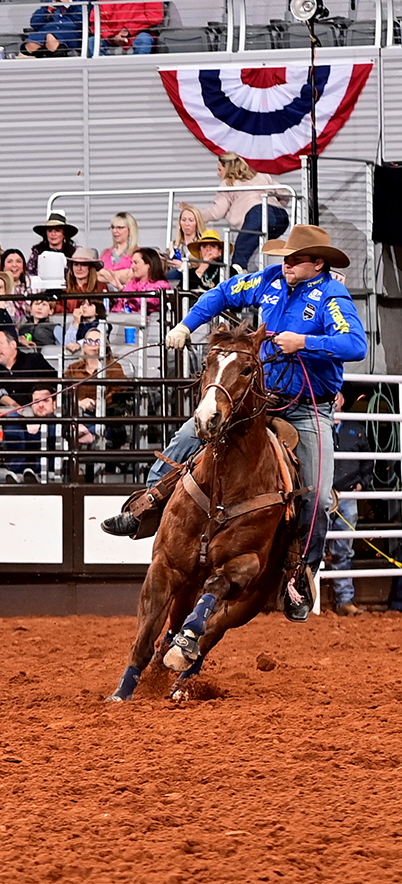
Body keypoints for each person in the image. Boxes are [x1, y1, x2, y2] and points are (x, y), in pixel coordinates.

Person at [101, 225, 367, 623]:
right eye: (286, 258)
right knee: (188, 435)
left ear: (318, 263)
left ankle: (299, 574)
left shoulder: (332, 296)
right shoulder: (270, 281)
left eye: (295, 259)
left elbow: (356, 345)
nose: (287, 264)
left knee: (318, 497)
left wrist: (304, 342)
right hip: (257, 398)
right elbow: (221, 294)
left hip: (307, 408)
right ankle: (146, 505)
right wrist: (187, 325)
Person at [201, 152, 291, 272]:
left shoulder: (228, 184)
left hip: (258, 214)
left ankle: (237, 270)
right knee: (253, 241)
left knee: (242, 245)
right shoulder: (261, 176)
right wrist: (276, 204)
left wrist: (195, 214)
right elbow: (285, 193)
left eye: (220, 169)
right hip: (280, 217)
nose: (218, 174)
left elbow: (217, 212)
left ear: (227, 169)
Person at [328, 389, 371, 615]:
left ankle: (344, 599)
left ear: (343, 400)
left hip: (346, 495)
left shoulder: (356, 428)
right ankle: (306, 600)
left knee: (343, 548)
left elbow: (367, 459)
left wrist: (363, 482)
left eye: (336, 396)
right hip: (325, 495)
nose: (333, 399)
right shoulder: (319, 426)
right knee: (312, 546)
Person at [0, 329, 56, 409]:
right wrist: (15, 406)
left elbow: (54, 382)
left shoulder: (34, 360)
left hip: (37, 410)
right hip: (6, 412)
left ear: (13, 344)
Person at [112, 247, 170, 314]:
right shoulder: (130, 284)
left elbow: (148, 303)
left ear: (149, 264)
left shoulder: (162, 285)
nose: (132, 266)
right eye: (132, 263)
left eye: (136, 263)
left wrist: (127, 296)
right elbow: (117, 308)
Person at [27, 213, 77, 277]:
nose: (53, 234)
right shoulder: (37, 252)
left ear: (64, 234)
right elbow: (29, 274)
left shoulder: (74, 253)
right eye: (50, 231)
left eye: (57, 230)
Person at [100, 212, 138, 289]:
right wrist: (120, 274)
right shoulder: (105, 253)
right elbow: (95, 276)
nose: (115, 231)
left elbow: (130, 277)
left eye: (120, 228)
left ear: (130, 230)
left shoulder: (137, 253)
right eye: (113, 227)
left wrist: (104, 273)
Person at [167, 203, 207, 271]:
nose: (187, 224)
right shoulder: (173, 245)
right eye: (183, 220)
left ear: (197, 223)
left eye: (191, 220)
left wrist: (182, 266)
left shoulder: (203, 245)